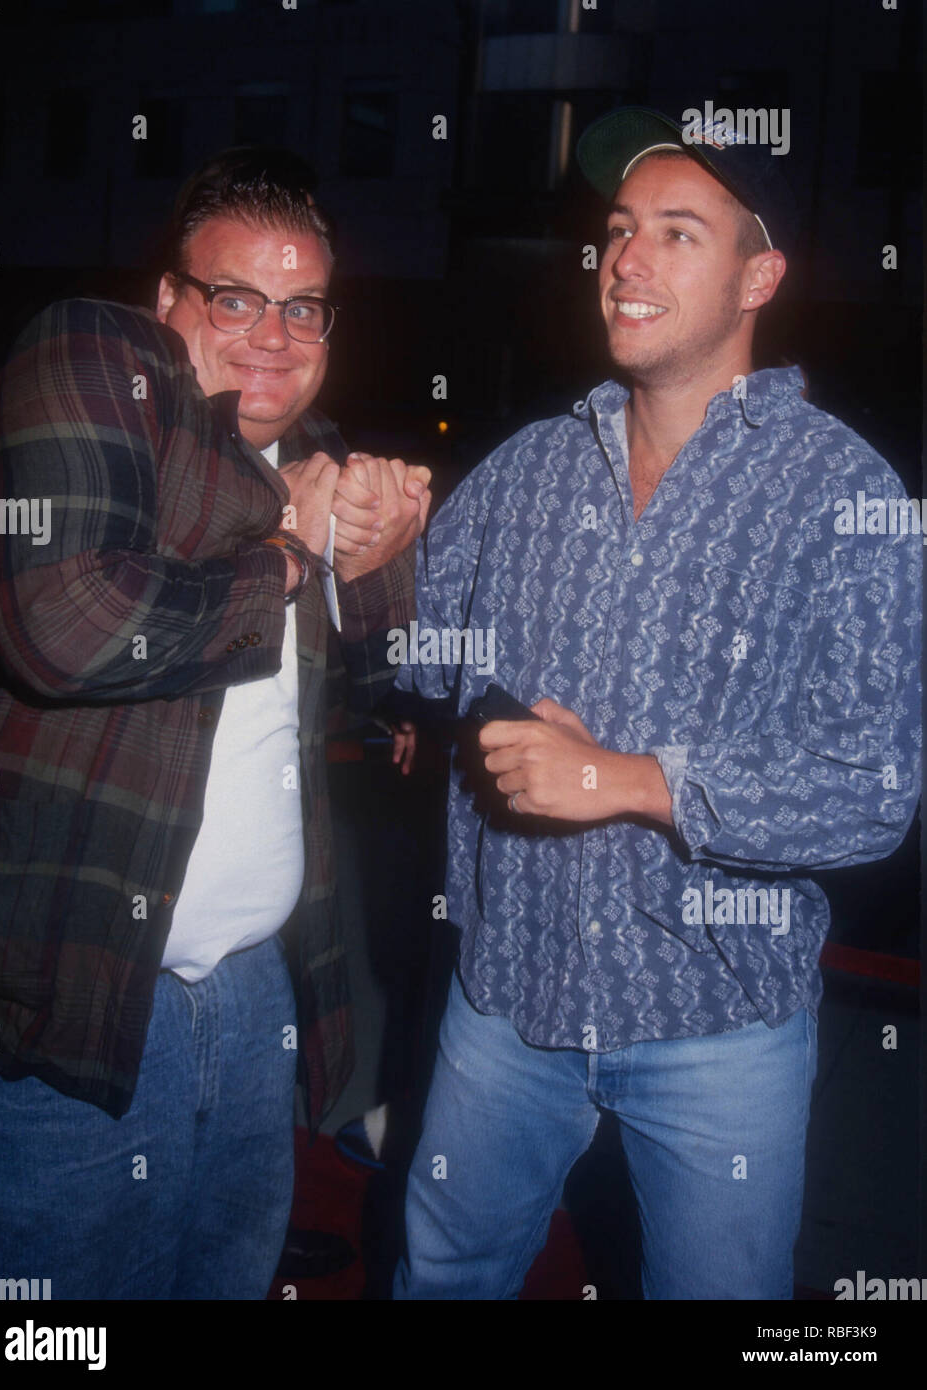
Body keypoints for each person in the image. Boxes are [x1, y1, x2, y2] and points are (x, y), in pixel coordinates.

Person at [392, 107, 921, 1300]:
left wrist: (631, 779)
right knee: (444, 1280)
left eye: (679, 233)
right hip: (507, 1011)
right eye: (621, 231)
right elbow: (415, 648)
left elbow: (873, 793)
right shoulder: (530, 467)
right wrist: (364, 541)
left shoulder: (846, 493)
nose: (626, 261)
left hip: (717, 1031)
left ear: (759, 276)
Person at [0, 146, 430, 1299]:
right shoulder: (85, 356)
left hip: (258, 987)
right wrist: (291, 551)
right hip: (74, 998)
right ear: (166, 302)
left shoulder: (308, 460)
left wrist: (386, 550)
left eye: (302, 307)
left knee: (227, 1276)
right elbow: (66, 627)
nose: (272, 334)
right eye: (234, 297)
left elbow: (385, 661)